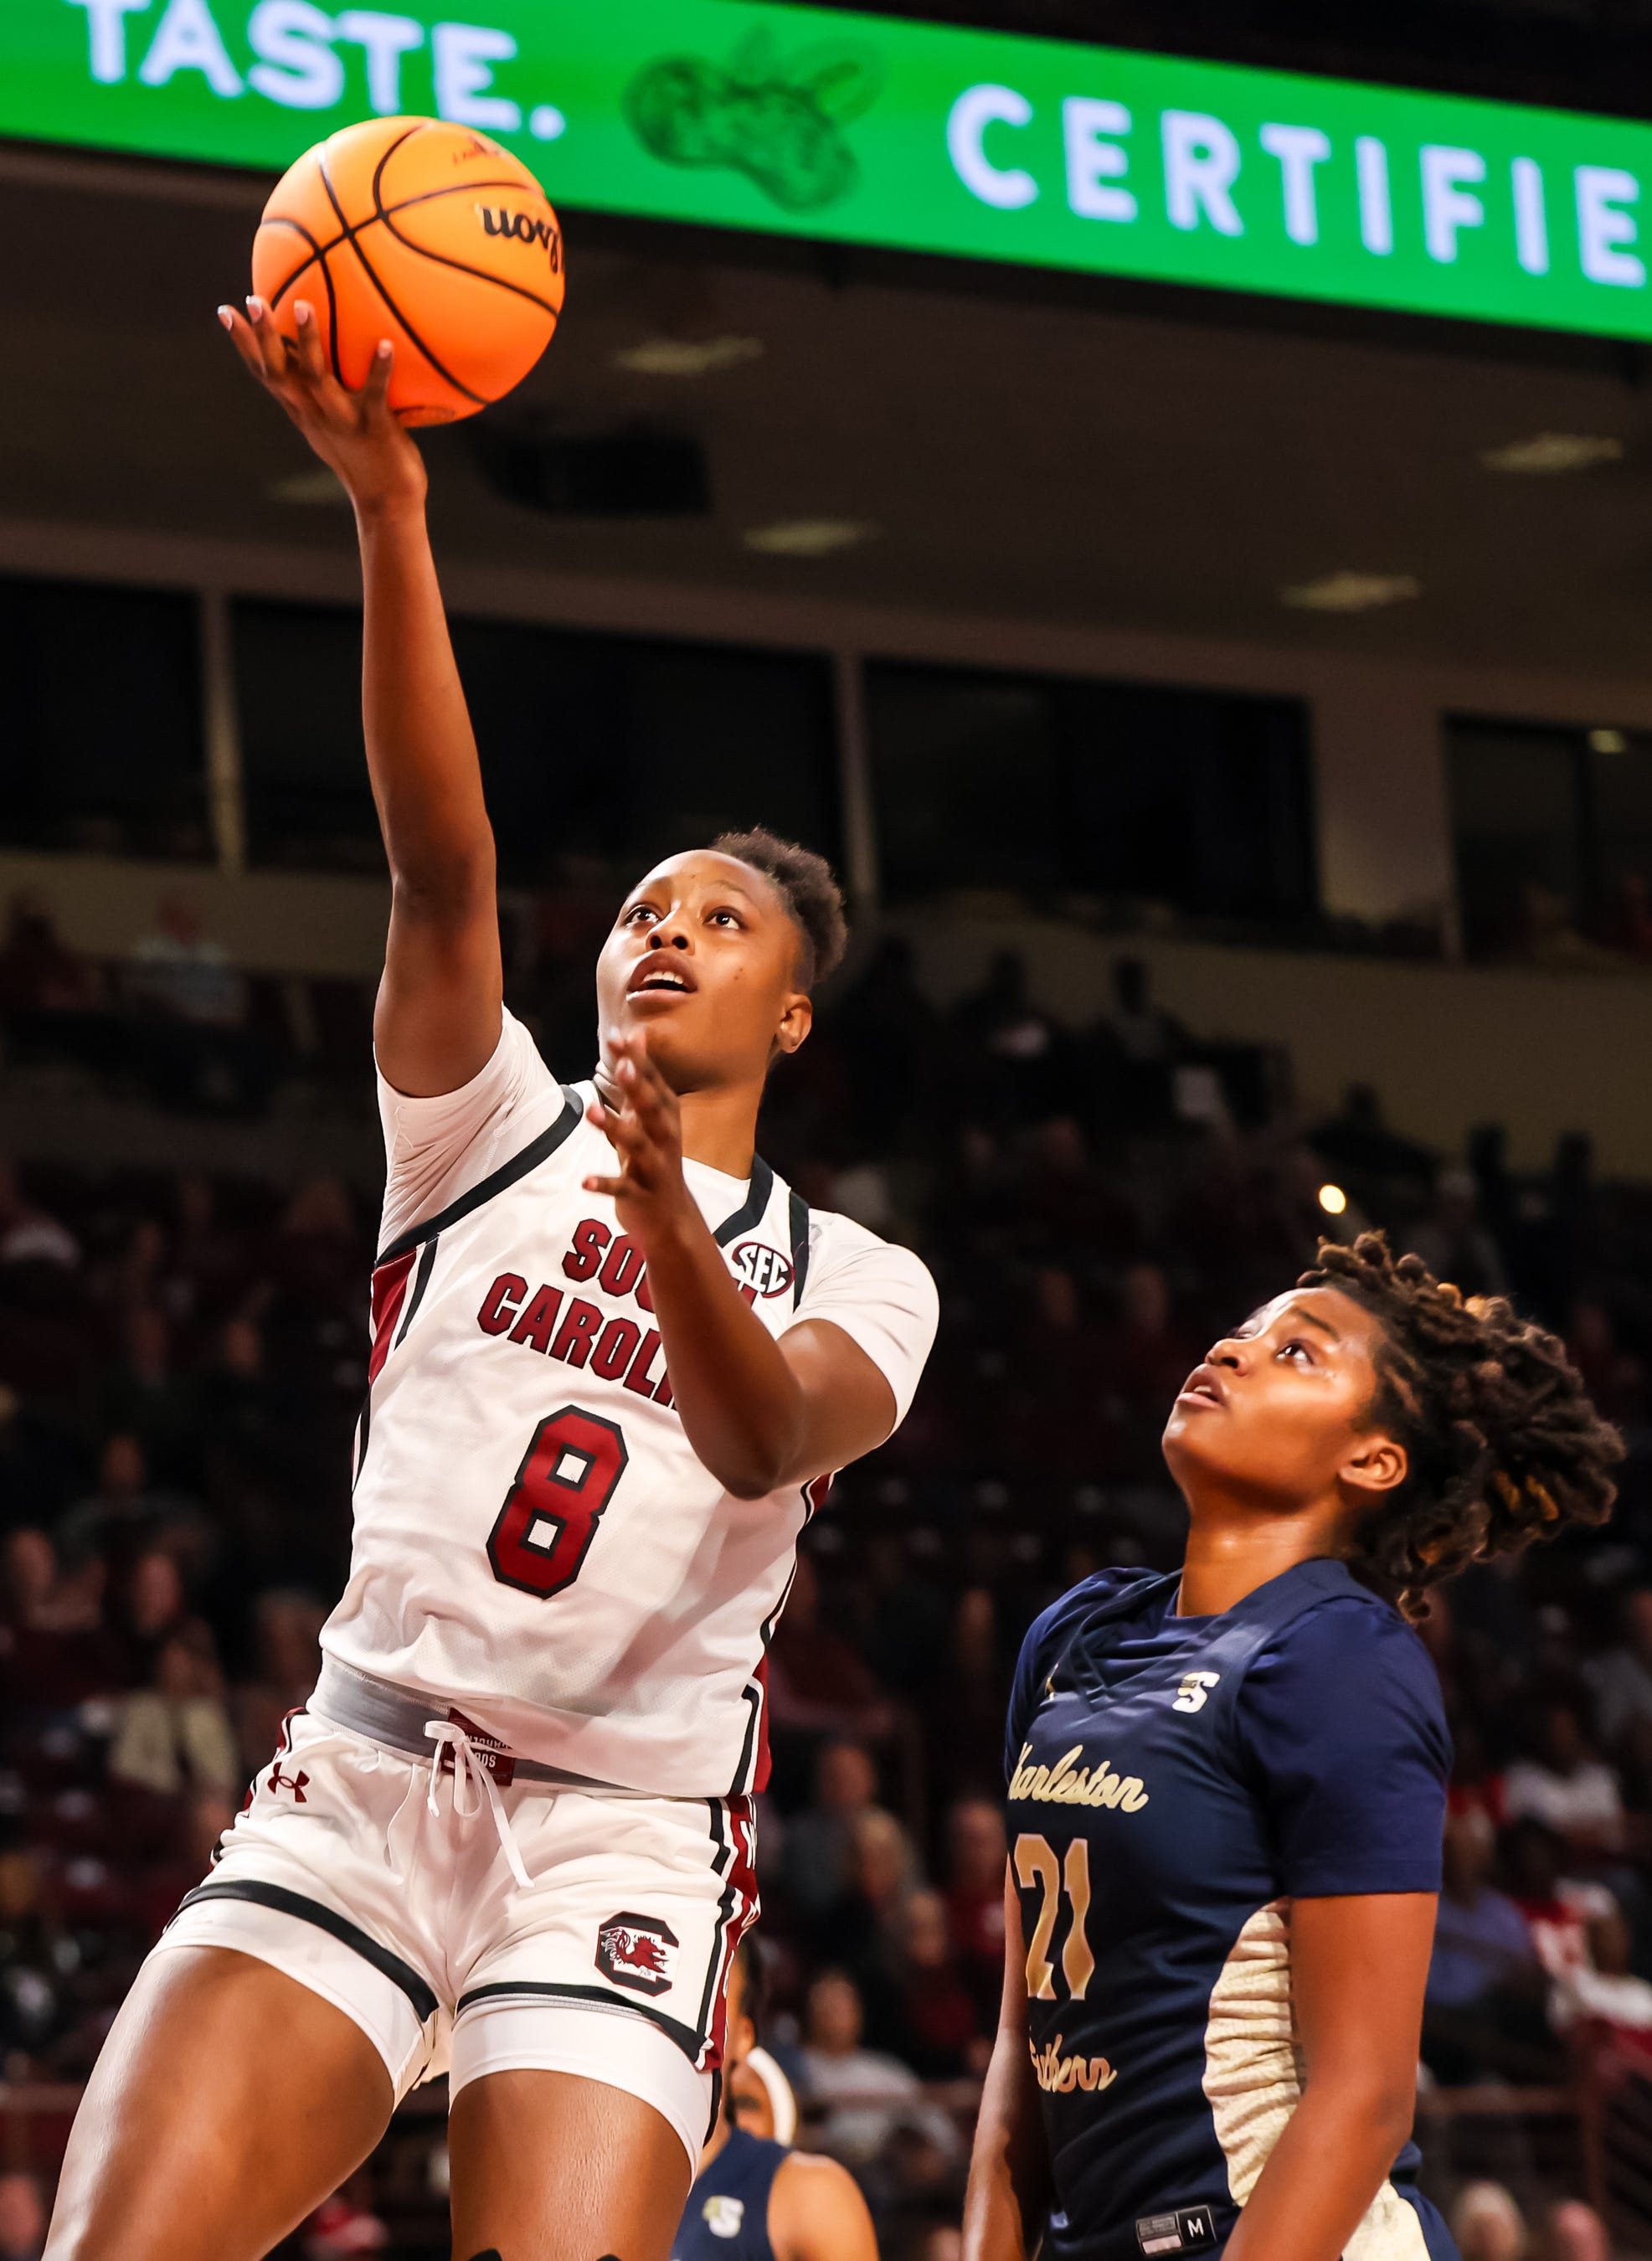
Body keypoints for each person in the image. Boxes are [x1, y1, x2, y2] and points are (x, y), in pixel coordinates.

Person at [44, 296, 938, 2261]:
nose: (665, 931)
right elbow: (439, 872)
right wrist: (389, 513)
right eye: (640, 908)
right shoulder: (487, 1130)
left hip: (618, 1837)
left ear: (791, 1011)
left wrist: (668, 1215)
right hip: (366, 1776)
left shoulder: (861, 1270)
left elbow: (765, 1433)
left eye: (722, 921)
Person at [963, 1231, 1621, 2261]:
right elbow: (1024, 2035)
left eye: (1296, 1351)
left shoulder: (1338, 1657)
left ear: (1371, 1459)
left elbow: (1363, 2098)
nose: (1231, 1350)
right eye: (1240, 1331)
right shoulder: (1073, 1634)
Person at [672, 1938, 877, 2261]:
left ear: (744, 2037)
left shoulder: (812, 2197)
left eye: (702, 1995)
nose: (675, 2017)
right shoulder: (587, 2168)